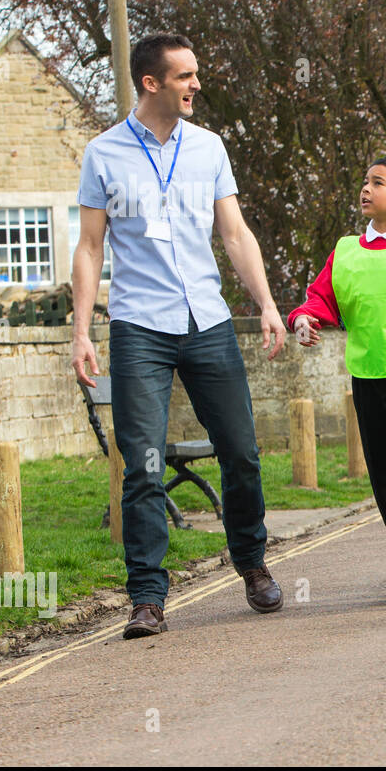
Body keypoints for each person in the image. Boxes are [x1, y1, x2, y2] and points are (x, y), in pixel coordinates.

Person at [70, 32, 286, 639]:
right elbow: (89, 248)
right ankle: (146, 597)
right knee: (140, 463)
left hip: (209, 321)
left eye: (196, 74)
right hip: (140, 325)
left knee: (240, 451)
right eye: (185, 76)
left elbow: (235, 235)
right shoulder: (104, 155)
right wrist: (81, 331)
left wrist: (266, 303)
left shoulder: (208, 148)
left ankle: (251, 561)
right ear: (151, 82)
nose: (196, 85)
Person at [287, 155, 386, 600]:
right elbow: (320, 298)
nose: (365, 189)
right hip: (367, 378)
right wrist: (304, 320)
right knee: (384, 476)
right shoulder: (346, 249)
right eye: (365, 181)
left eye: (378, 182)